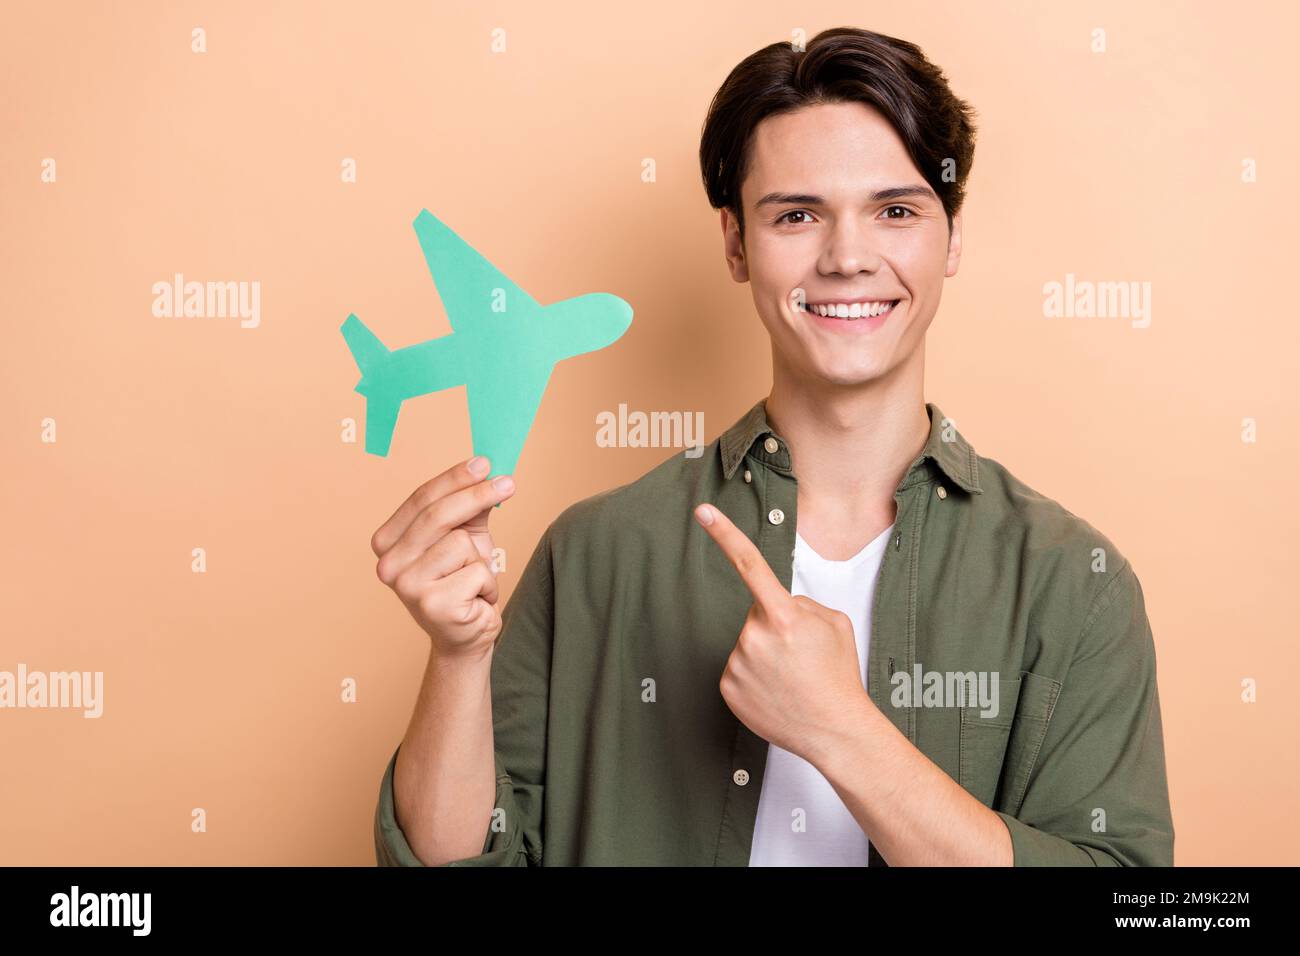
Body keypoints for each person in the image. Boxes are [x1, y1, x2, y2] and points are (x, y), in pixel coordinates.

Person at [370, 26, 1174, 867]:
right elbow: (459, 860)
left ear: (953, 236)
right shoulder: (595, 555)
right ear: (734, 244)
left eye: (896, 211)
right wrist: (458, 660)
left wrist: (842, 731)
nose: (848, 258)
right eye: (797, 215)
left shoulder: (1074, 584)